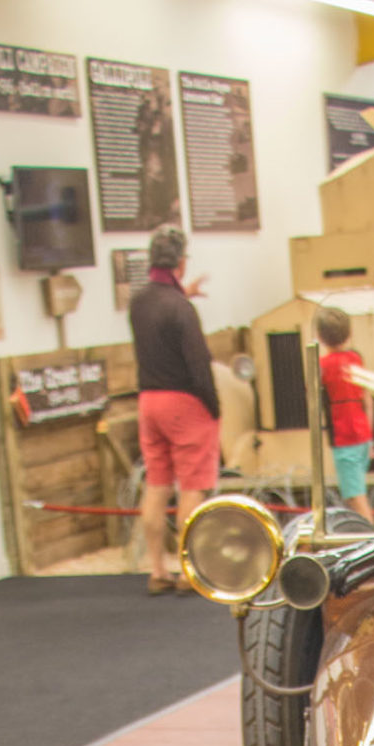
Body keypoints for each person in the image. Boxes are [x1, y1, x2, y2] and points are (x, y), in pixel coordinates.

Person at [130, 225, 219, 594]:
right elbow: (198, 363)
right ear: (181, 263)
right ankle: (187, 571)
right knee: (191, 488)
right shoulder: (182, 308)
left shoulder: (138, 302)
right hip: (184, 403)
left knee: (157, 485)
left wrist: (184, 292)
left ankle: (157, 569)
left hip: (148, 401)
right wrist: (213, 406)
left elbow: (160, 311)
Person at [315, 306, 373, 522]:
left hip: (343, 436)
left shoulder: (322, 366)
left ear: (320, 336)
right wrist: (371, 437)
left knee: (355, 497)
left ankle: (372, 535)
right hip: (362, 433)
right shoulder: (356, 359)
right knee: (355, 494)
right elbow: (367, 400)